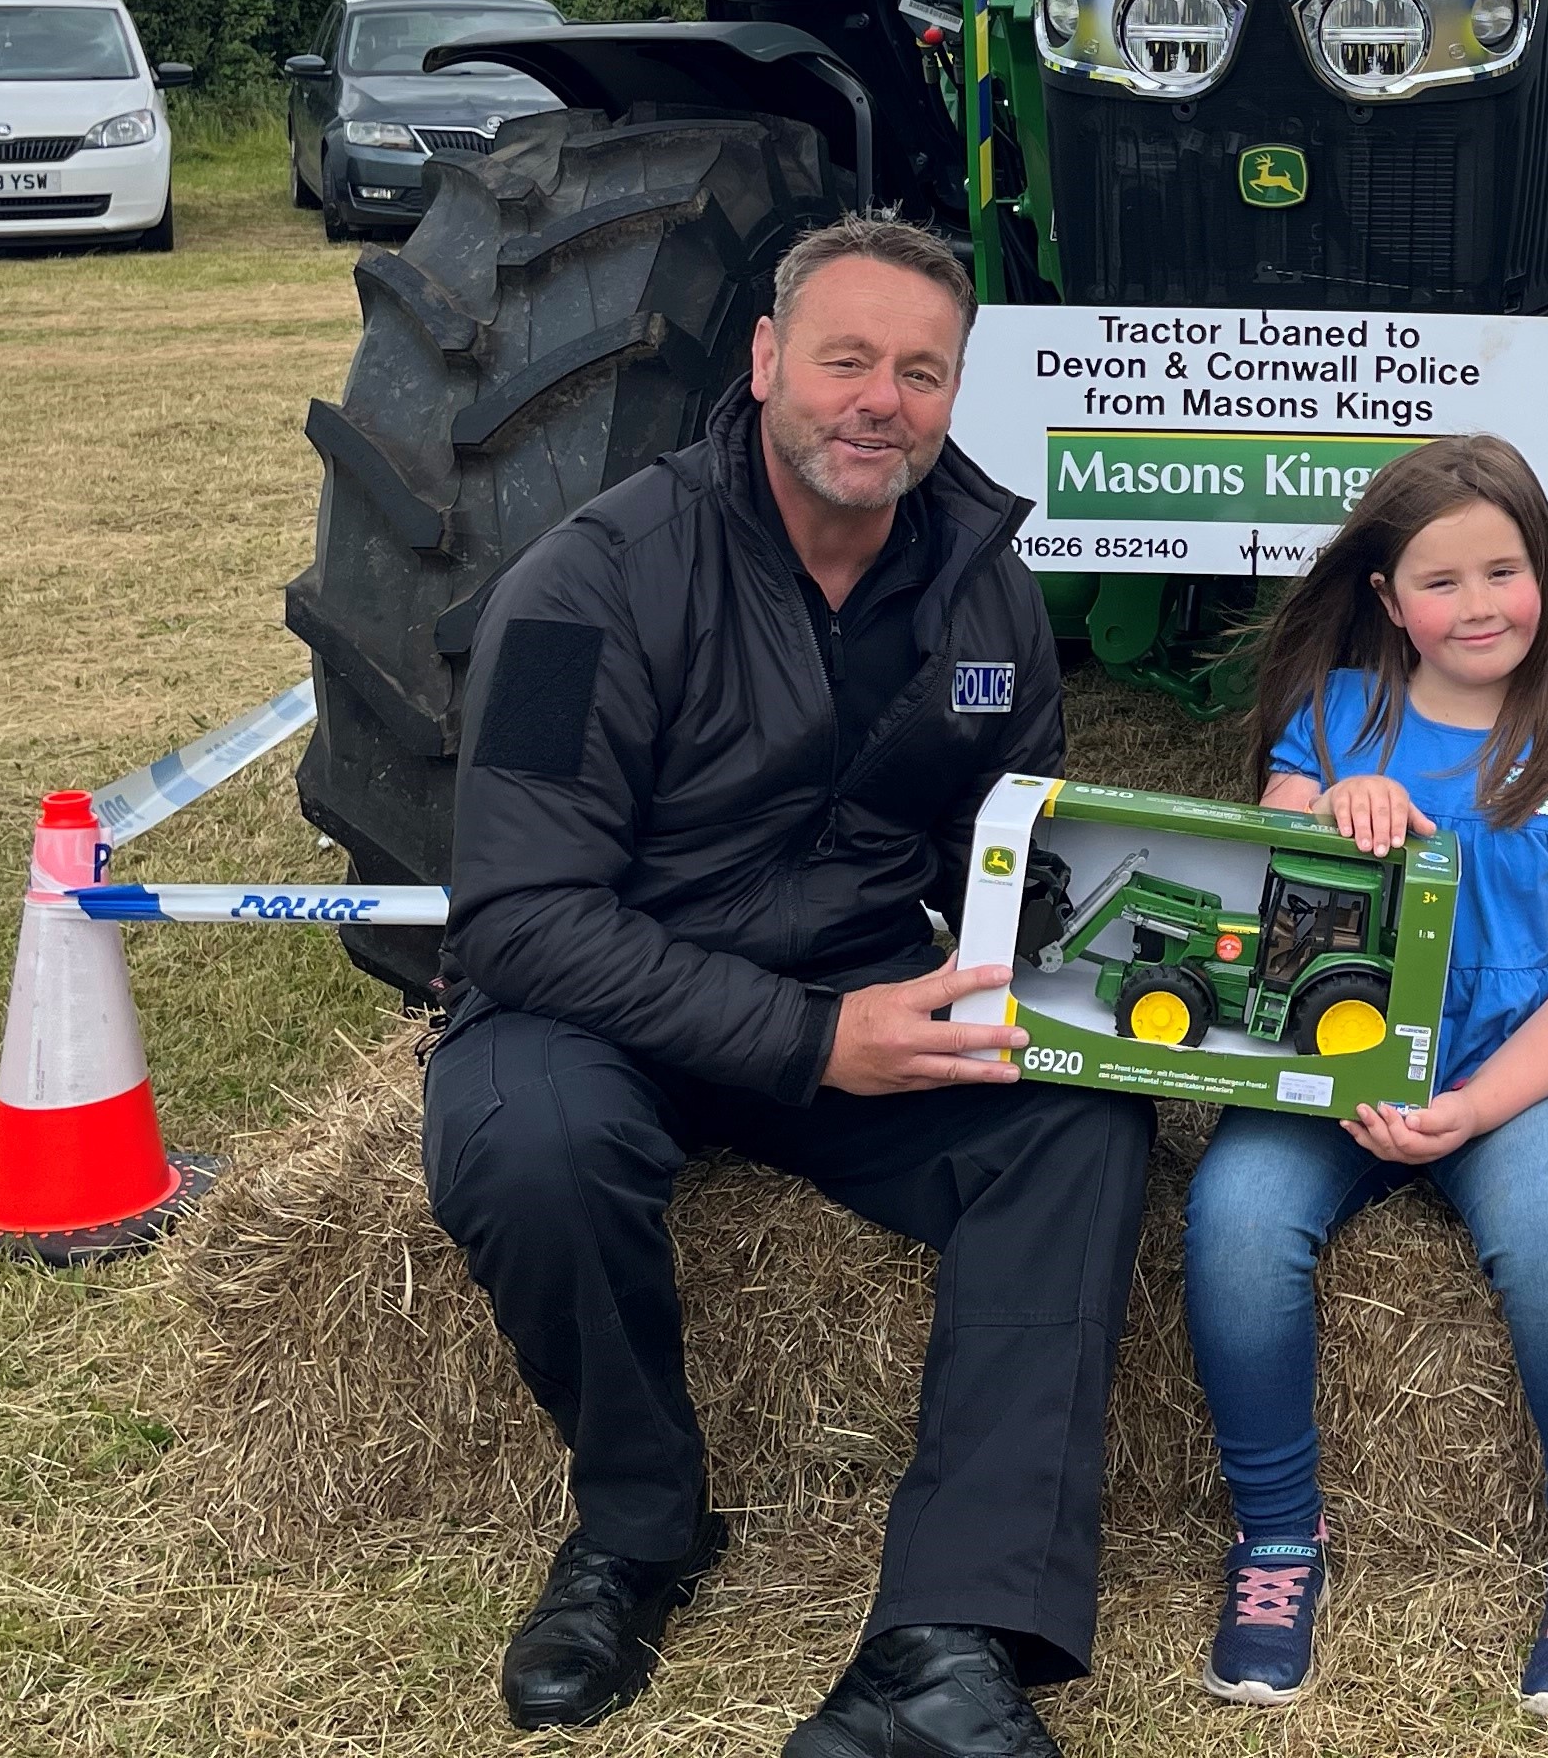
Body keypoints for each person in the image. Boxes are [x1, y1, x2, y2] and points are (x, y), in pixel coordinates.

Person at [422, 217, 1150, 1757]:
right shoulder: (587, 583)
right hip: (601, 1002)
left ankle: (943, 1640)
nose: (880, 400)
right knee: (527, 1142)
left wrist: (1149, 983)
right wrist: (811, 1041)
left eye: (920, 372)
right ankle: (639, 1530)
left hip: (859, 985)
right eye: (845, 360)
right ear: (765, 362)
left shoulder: (991, 594)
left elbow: (1015, 857)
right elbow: (518, 916)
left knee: (1080, 1117)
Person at [1178, 435, 1548, 1722]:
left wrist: (1470, 1111)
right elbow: (1266, 845)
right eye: (1440, 582)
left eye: (1504, 571)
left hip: (1520, 1073)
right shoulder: (1337, 717)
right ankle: (1277, 1537)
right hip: (1337, 1067)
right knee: (1234, 1220)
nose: (1478, 605)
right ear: (1389, 602)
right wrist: (1330, 807)